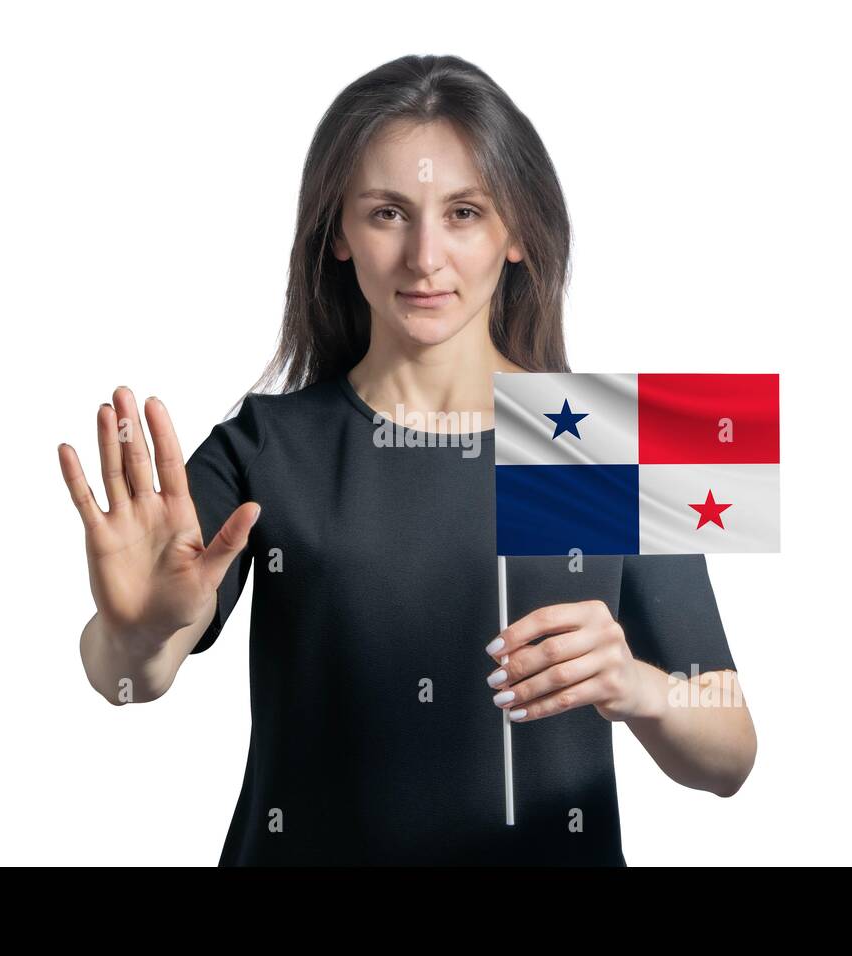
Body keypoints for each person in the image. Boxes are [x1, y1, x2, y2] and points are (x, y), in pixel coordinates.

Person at [57, 54, 756, 866]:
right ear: (339, 237)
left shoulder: (604, 440)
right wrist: (134, 631)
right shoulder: (268, 445)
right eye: (388, 213)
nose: (425, 257)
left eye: (464, 212)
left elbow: (731, 755)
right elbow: (129, 678)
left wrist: (641, 687)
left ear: (519, 232)